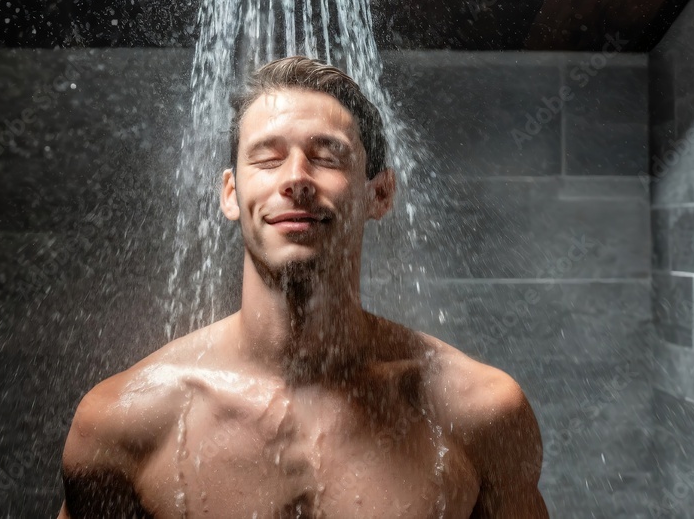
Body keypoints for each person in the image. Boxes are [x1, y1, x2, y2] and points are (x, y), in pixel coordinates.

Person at [56, 56, 549, 518]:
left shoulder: (478, 412)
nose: (296, 178)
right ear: (231, 193)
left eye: (328, 157)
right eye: (267, 160)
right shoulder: (125, 423)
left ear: (379, 193)